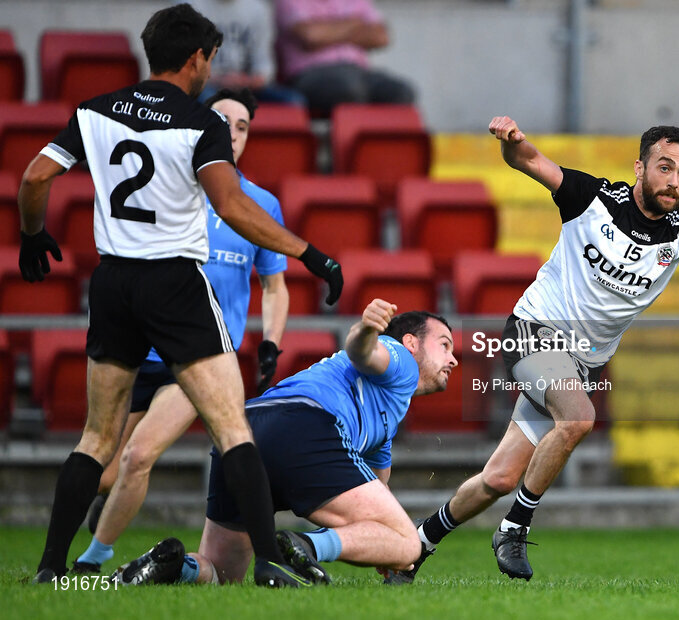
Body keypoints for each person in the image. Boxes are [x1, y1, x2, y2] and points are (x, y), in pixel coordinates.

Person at [381, 116, 679, 584]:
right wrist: (512, 142)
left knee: (499, 480)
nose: (675, 180)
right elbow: (529, 161)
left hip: (579, 361)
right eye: (665, 167)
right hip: (534, 330)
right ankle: (514, 529)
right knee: (579, 418)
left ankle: (414, 547)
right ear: (640, 168)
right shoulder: (591, 198)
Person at [18, 3, 342, 587]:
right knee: (231, 427)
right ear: (197, 57)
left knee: (97, 438)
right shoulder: (199, 122)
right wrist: (309, 254)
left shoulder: (93, 112)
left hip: (114, 282)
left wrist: (32, 234)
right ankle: (268, 564)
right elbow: (231, 205)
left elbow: (36, 177)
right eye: (209, 58)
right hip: (174, 281)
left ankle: (49, 569)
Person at [70, 87, 290, 575]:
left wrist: (271, 341)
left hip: (200, 357)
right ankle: (101, 507)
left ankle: (91, 563)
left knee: (137, 457)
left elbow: (275, 286)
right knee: (106, 469)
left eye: (243, 127)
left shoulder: (259, 204)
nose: (232, 134)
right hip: (141, 349)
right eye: (223, 122)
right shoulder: (171, 188)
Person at [111, 299, 457, 586]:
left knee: (220, 574)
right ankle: (299, 545)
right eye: (444, 345)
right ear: (411, 342)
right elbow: (362, 351)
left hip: (244, 429)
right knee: (410, 543)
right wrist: (366, 329)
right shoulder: (401, 361)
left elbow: (378, 496)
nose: (453, 359)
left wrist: (381, 547)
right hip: (303, 425)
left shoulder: (383, 415)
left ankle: (169, 565)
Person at [273, 0, 415, 112]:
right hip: (309, 76)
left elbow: (381, 37)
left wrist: (329, 32)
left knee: (401, 92)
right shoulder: (290, 1)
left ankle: (380, 148)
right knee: (349, 88)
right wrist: (355, 24)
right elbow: (311, 36)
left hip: (358, 72)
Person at [191, 0, 306, 105]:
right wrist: (220, 80)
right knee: (214, 103)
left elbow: (265, 66)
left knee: (294, 101)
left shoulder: (258, 8)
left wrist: (251, 80)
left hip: (248, 86)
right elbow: (187, 67)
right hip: (207, 84)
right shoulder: (191, 6)